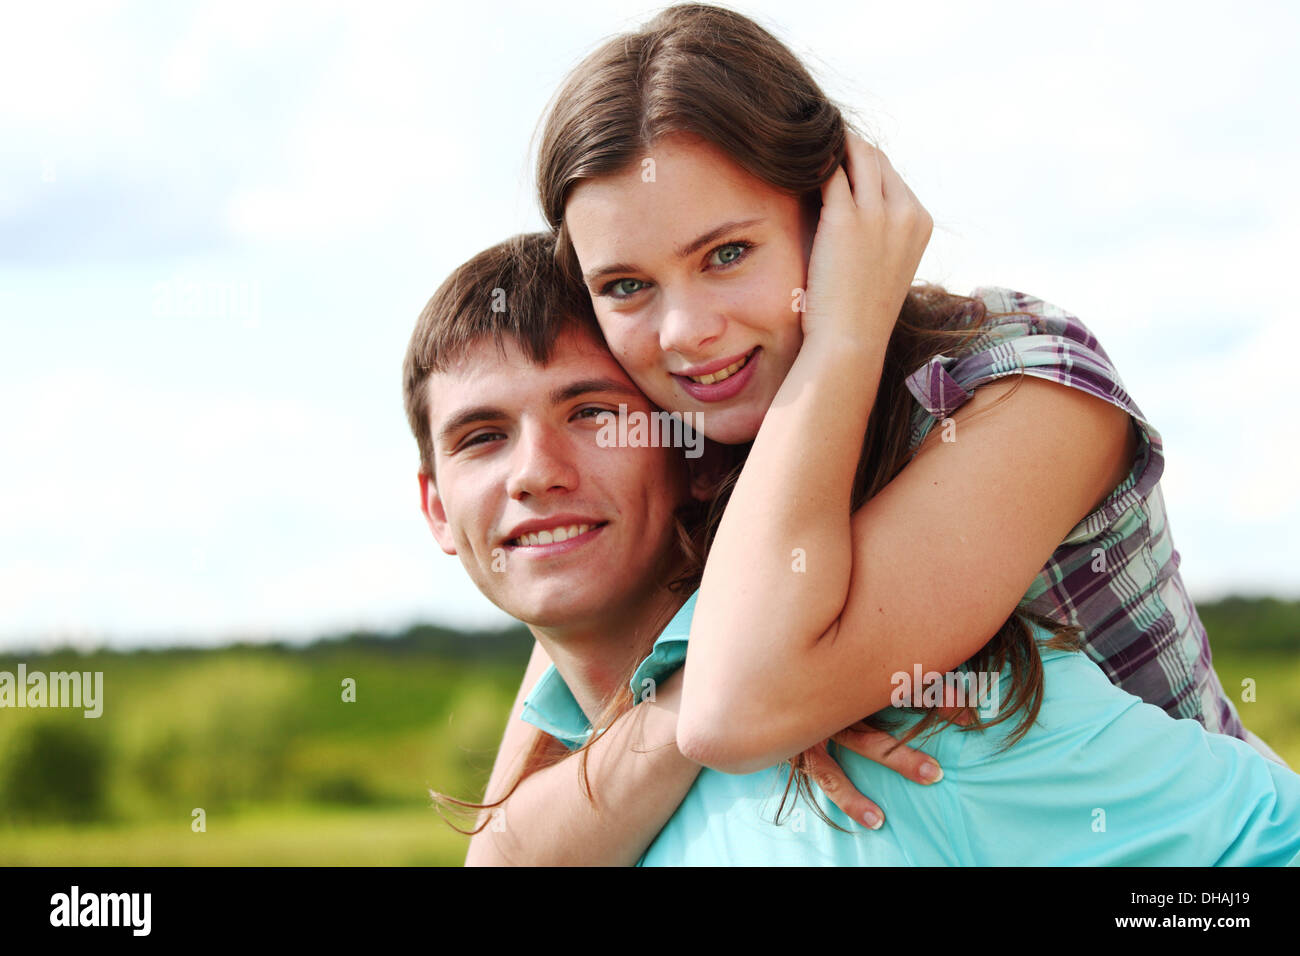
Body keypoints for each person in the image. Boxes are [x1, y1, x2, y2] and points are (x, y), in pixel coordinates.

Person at [533, 1, 1284, 772]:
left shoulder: (1026, 383)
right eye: (626, 285)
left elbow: (731, 713)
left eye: (726, 254)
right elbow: (507, 842)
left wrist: (843, 337)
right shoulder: (671, 448)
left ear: (833, 214)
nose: (684, 332)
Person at [404, 232, 1300, 866]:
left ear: (699, 459)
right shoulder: (588, 747)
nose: (536, 473)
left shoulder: (904, 711)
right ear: (436, 509)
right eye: (481, 436)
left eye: (592, 415)